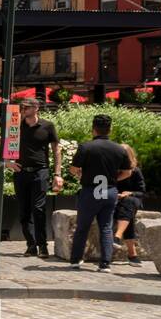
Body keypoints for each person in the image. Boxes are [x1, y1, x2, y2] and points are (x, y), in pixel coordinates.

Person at [68, 114, 133, 273]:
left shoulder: (86, 147)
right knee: (106, 227)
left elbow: (74, 169)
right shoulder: (119, 148)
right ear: (110, 129)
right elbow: (128, 172)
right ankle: (105, 264)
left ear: (93, 129)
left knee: (82, 227)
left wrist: (80, 175)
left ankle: (76, 260)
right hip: (109, 190)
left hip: (90, 191)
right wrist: (114, 178)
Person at [8, 98, 62, 257]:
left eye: (26, 107)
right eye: (22, 107)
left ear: (36, 108)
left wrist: (57, 174)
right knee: (23, 210)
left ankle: (42, 245)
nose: (23, 109)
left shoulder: (47, 126)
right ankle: (31, 244)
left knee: (38, 209)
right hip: (21, 172)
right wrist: (8, 162)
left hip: (40, 171)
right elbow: (3, 144)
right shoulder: (15, 125)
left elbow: (56, 150)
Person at [112, 143, 145, 266]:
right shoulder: (112, 170)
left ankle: (118, 236)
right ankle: (132, 254)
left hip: (132, 198)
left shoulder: (136, 171)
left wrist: (129, 193)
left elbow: (141, 192)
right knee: (128, 213)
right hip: (116, 200)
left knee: (128, 203)